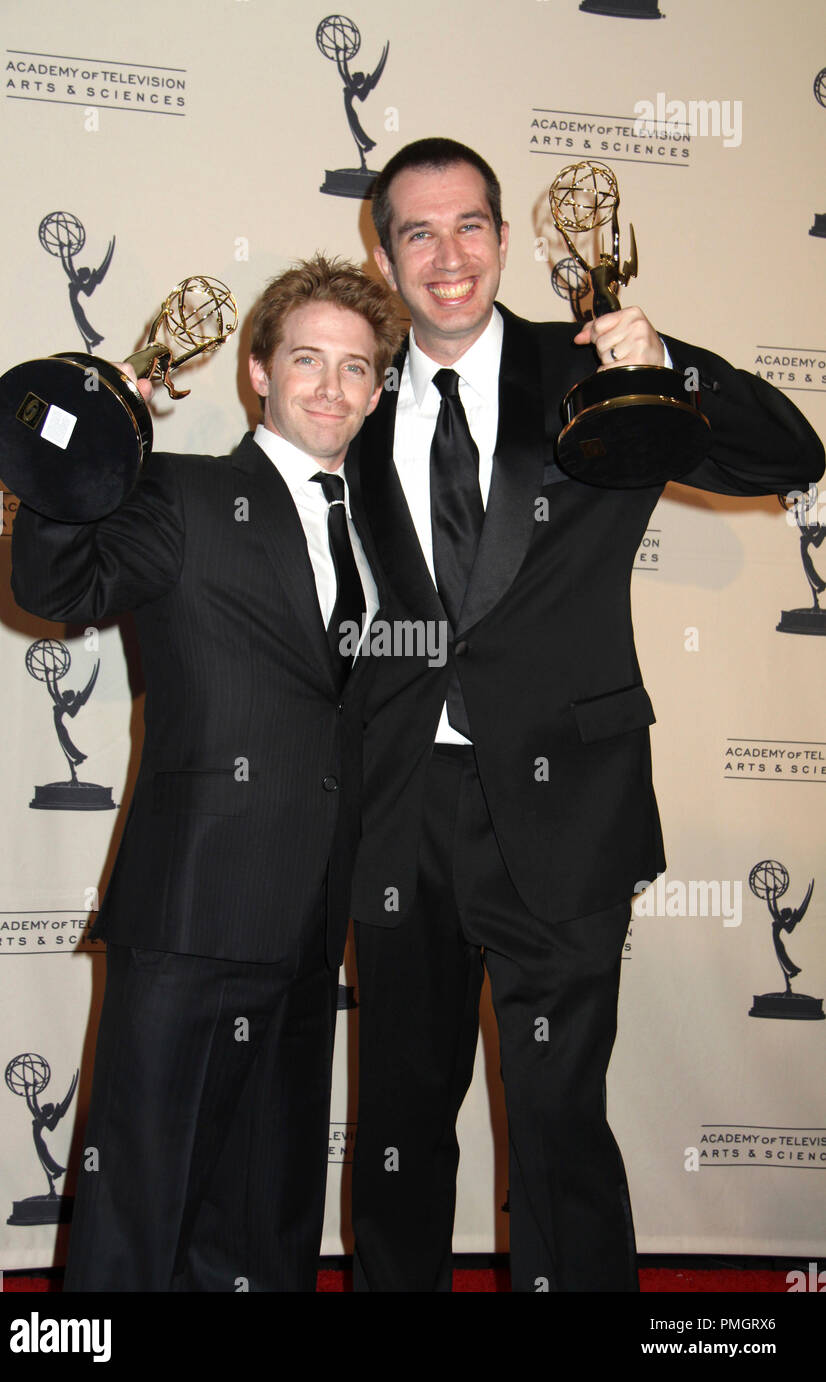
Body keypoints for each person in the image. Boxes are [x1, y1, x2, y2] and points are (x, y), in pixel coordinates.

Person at [343, 138, 825, 1292]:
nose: (446, 255)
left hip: (566, 806)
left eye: (468, 226)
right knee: (400, 1117)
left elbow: (789, 453)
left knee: (558, 1115)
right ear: (387, 252)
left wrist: (670, 361)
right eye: (417, 231)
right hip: (404, 809)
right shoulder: (351, 396)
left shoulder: (592, 368)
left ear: (505, 242)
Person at [9, 255, 401, 1292]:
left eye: (355, 368)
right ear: (257, 373)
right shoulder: (179, 490)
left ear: (376, 389)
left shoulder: (378, 531)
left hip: (310, 923)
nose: (330, 386)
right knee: (137, 1203)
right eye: (306, 359)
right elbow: (57, 584)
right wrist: (93, 444)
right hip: (190, 913)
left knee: (265, 1212)